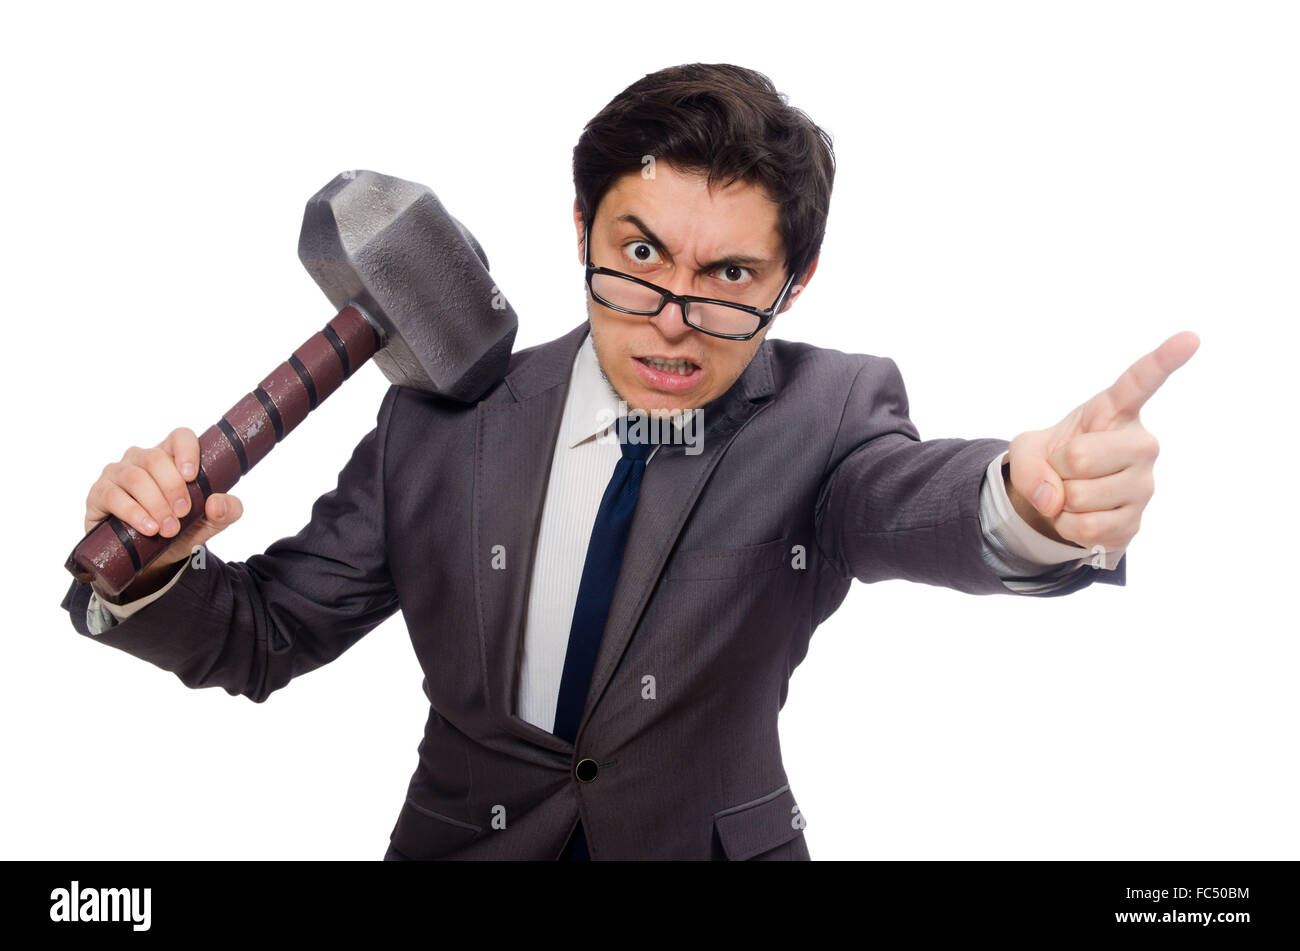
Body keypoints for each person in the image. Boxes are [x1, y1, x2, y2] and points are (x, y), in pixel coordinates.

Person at [60, 63, 1195, 860]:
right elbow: (267, 636)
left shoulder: (829, 409)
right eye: (639, 253)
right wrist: (146, 569)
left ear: (794, 282)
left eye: (731, 279)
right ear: (580, 230)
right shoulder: (437, 420)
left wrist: (1026, 504)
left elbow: (905, 502)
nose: (671, 319)